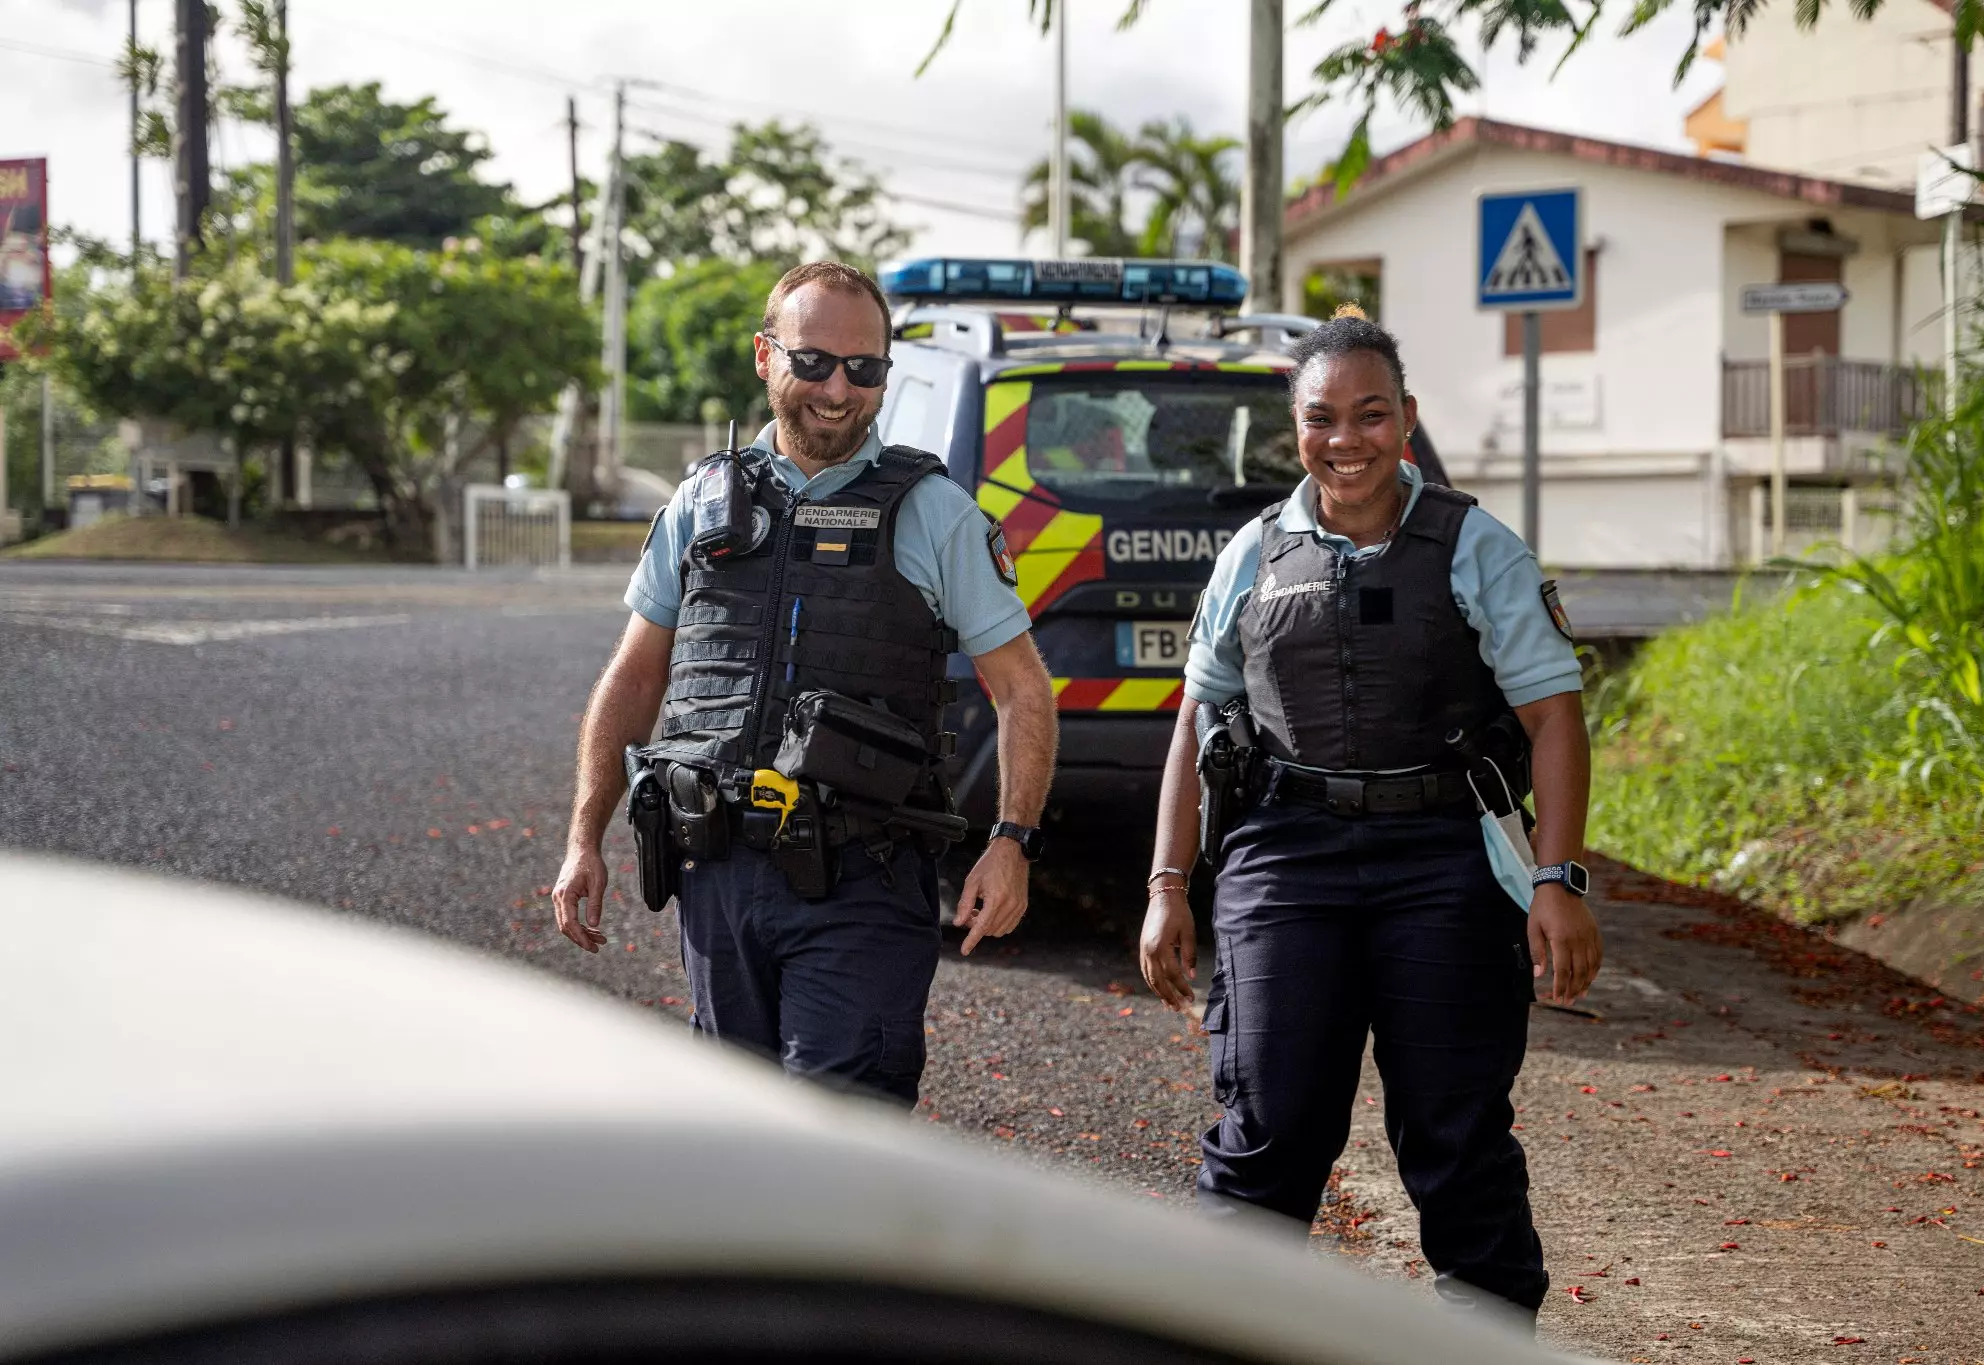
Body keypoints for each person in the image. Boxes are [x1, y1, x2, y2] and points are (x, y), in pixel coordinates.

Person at [1137, 305, 1601, 1324]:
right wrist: (1167, 887)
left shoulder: (1475, 546)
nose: (1344, 440)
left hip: (1442, 860)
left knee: (1452, 1134)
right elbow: (1194, 720)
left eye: (1369, 415)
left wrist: (1557, 881)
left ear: (1406, 420)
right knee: (1266, 1130)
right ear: (1292, 426)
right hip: (1281, 856)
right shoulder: (1252, 552)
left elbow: (1552, 717)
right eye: (1321, 419)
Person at [553, 261, 1058, 1107]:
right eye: (815, 361)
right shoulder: (702, 503)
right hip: (717, 875)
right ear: (764, 356)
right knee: (743, 1140)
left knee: (839, 1138)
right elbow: (636, 676)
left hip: (866, 874)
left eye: (866, 370)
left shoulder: (934, 513)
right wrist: (583, 837)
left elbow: (1023, 688)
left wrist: (1012, 840)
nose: (839, 388)